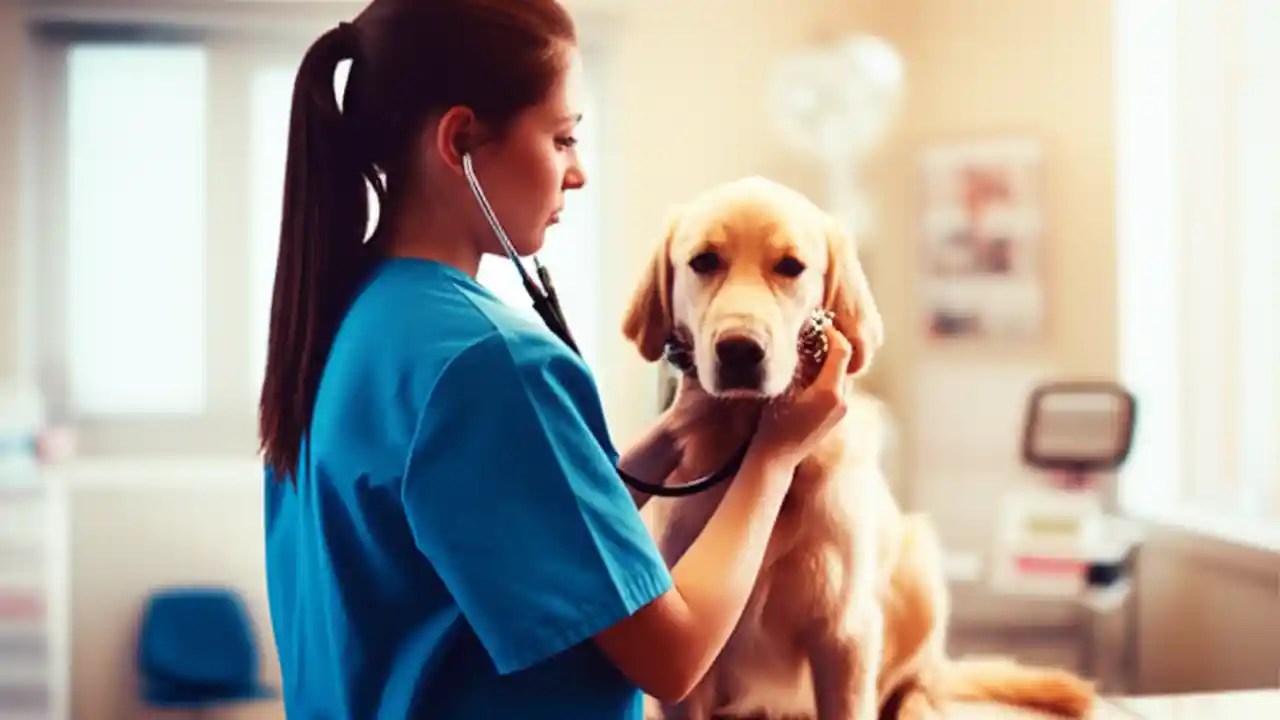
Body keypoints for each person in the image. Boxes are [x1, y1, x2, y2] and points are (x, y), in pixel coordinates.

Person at [257, 1, 852, 718]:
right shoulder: (488, 364)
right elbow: (674, 654)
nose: (578, 174)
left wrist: (672, 434)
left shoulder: (349, 321)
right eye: (564, 139)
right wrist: (775, 458)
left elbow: (530, 534)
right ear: (461, 142)